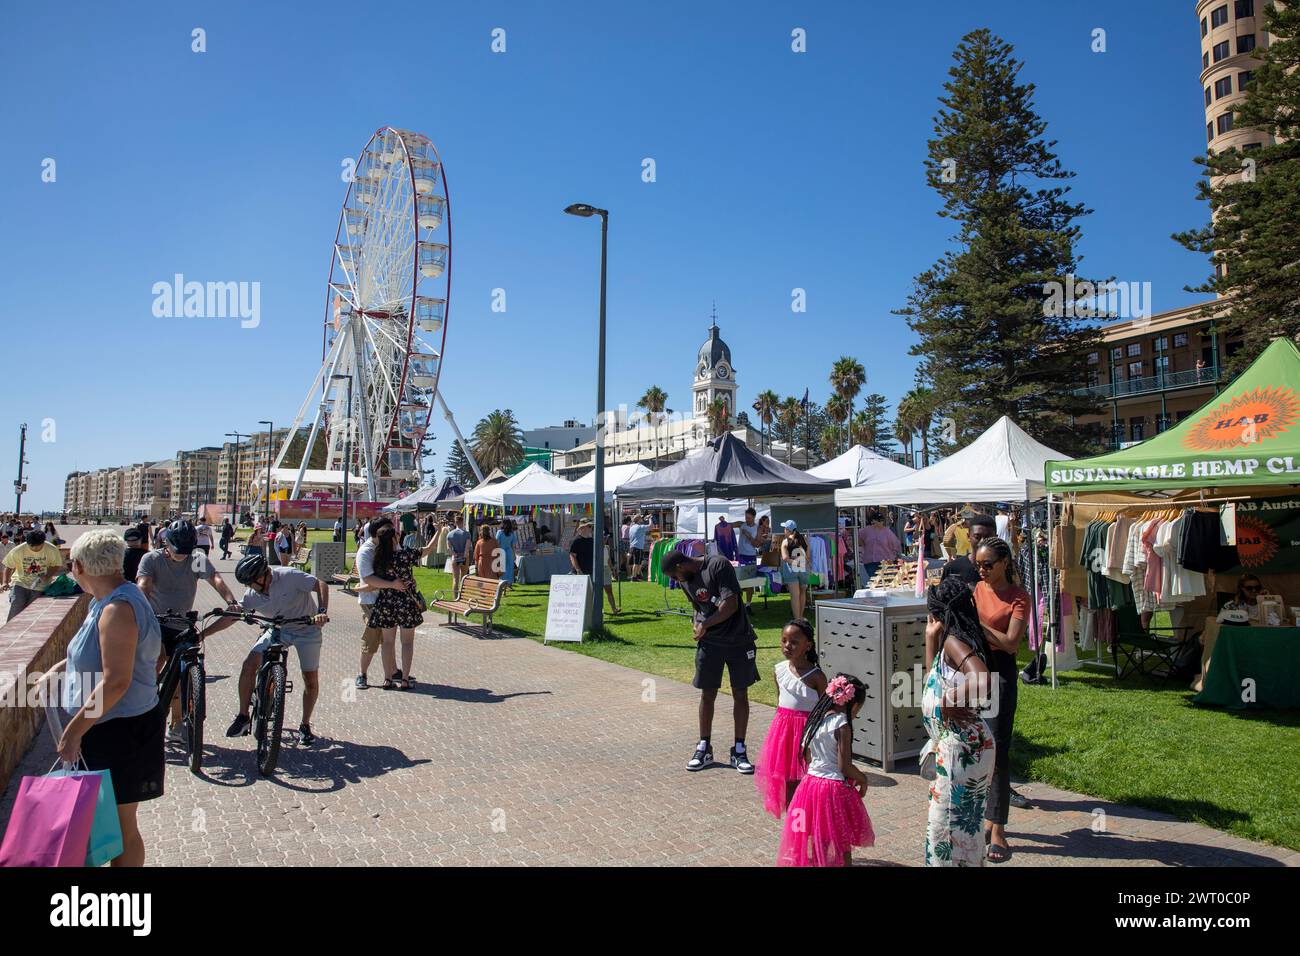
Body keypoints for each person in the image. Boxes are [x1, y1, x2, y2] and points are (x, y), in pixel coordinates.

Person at [55, 529, 164, 867]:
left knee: (120, 827)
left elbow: (116, 682)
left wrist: (73, 732)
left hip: (119, 731)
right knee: (111, 823)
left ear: (82, 567)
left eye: (71, 563)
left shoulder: (118, 607)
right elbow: (152, 656)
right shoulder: (106, 600)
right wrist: (59, 669)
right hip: (111, 726)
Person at [136, 520, 239, 742]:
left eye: (185, 550)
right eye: (176, 550)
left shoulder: (195, 559)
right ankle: (146, 713)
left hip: (182, 625)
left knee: (182, 677)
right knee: (155, 663)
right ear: (167, 543)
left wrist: (231, 600)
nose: (181, 555)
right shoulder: (152, 559)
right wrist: (140, 609)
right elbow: (143, 586)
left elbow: (215, 579)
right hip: (156, 623)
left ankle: (176, 724)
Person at [922, 576, 996, 867]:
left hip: (962, 750)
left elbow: (982, 679)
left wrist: (949, 701)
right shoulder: (950, 641)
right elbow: (934, 680)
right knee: (960, 828)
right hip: (960, 747)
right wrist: (930, 638)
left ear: (940, 613)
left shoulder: (955, 641)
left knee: (947, 827)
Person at [661, 549, 757, 773]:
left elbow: (731, 604)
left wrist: (706, 624)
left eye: (675, 577)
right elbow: (697, 607)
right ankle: (704, 747)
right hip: (709, 644)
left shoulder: (718, 565)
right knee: (707, 693)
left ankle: (739, 750)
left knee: (740, 693)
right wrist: (697, 623)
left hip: (738, 640)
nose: (676, 582)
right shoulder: (685, 580)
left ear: (680, 567)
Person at [220, 552, 329, 744]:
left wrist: (321, 612)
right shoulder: (253, 594)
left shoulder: (289, 575)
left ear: (262, 577)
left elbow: (320, 584)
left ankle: (305, 724)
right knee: (249, 664)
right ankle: (243, 716)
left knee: (310, 679)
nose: (248, 587)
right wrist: (205, 634)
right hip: (278, 629)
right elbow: (232, 616)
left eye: (250, 582)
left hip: (307, 629)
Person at [776, 673, 874, 867]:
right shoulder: (842, 725)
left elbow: (808, 756)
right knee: (840, 841)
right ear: (850, 704)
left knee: (818, 837)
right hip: (832, 790)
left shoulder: (815, 720)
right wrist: (863, 778)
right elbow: (844, 766)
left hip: (809, 786)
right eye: (857, 710)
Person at [971, 536, 1027, 863]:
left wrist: (977, 625)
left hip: (1000, 673)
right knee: (980, 748)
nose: (982, 570)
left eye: (988, 564)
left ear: (1004, 562)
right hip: (975, 669)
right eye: (978, 564)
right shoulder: (978, 590)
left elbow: (1010, 642)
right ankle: (987, 816)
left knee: (998, 750)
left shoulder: (1018, 597)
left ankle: (998, 828)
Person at [753, 619, 826, 818]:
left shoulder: (816, 676)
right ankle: (795, 823)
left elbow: (824, 709)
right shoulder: (779, 670)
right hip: (783, 733)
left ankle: (807, 818)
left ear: (807, 646)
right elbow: (780, 702)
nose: (787, 646)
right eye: (784, 640)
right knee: (786, 778)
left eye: (794, 642)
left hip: (806, 733)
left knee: (805, 778)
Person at [361, 517, 438, 690]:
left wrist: (361, 588)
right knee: (407, 643)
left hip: (387, 602)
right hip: (405, 602)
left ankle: (387, 678)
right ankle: (404, 679)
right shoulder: (405, 555)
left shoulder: (378, 559)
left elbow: (373, 581)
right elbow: (428, 549)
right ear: (395, 539)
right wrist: (438, 532)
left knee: (387, 642)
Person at [2, 529, 68, 621]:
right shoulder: (18, 550)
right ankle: (9, 631)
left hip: (40, 586)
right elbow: (8, 566)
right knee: (17, 603)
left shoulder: (52, 549)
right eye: (31, 546)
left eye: (38, 546)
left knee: (31, 610)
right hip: (20, 582)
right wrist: (5, 582)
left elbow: (56, 565)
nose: (34, 549)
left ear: (43, 542)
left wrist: (47, 575)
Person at [569, 519, 620, 614]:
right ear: (582, 528)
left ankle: (594, 613)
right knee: (584, 595)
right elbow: (572, 556)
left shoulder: (593, 541)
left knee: (594, 593)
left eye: (591, 526)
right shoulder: (576, 541)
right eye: (589, 526)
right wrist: (578, 570)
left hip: (593, 571)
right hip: (582, 572)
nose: (591, 528)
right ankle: (582, 614)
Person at [856, 511, 902, 582]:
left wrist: (893, 556)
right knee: (875, 581)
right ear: (873, 521)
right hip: (870, 561)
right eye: (878, 520)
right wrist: (863, 545)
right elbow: (858, 536)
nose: (880, 522)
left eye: (881, 520)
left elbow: (896, 544)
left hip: (884, 561)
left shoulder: (887, 531)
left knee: (884, 581)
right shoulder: (866, 530)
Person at [779, 520, 810, 621]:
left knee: (795, 595)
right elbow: (808, 556)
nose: (784, 530)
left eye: (785, 528)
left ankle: (797, 619)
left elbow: (785, 558)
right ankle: (800, 616)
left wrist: (795, 562)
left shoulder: (785, 541)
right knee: (802, 593)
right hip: (803, 568)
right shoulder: (804, 539)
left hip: (792, 569)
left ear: (788, 530)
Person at [446, 513, 471, 594]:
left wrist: (454, 554)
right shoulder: (467, 534)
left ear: (455, 522)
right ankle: (462, 597)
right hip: (464, 557)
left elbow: (448, 548)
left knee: (455, 580)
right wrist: (464, 556)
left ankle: (455, 598)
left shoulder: (450, 534)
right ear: (462, 522)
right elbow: (467, 548)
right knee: (463, 579)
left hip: (455, 557)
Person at [627, 513, 651, 582]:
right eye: (640, 518)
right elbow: (651, 526)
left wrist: (644, 518)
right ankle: (634, 577)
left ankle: (637, 575)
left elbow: (638, 521)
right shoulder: (640, 527)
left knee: (639, 562)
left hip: (632, 546)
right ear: (638, 520)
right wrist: (650, 518)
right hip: (638, 547)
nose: (642, 519)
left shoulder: (632, 526)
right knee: (636, 563)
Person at [496, 518, 518, 585]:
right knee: (510, 569)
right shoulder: (511, 533)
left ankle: (502, 584)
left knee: (502, 569)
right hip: (509, 552)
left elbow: (497, 543)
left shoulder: (499, 532)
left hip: (501, 552)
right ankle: (509, 584)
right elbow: (513, 545)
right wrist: (514, 554)